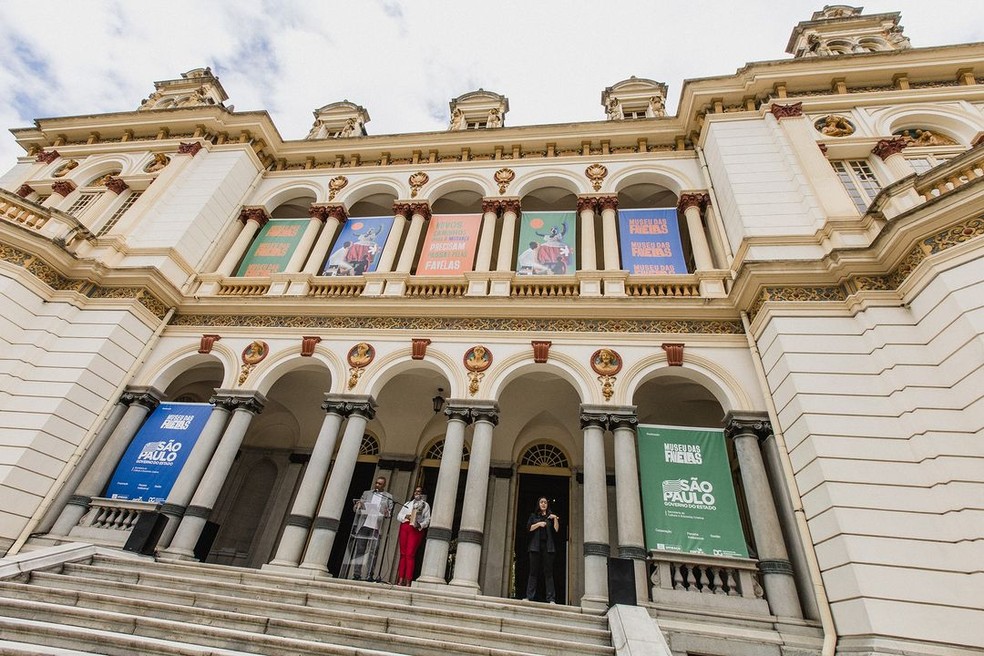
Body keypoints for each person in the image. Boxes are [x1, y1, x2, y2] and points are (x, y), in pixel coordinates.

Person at [352, 476, 394, 580]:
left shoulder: (388, 496)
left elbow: (390, 513)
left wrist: (386, 512)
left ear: (384, 485)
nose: (377, 485)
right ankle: (356, 574)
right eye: (376, 483)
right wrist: (358, 505)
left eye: (380, 484)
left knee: (373, 552)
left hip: (376, 527)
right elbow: (356, 510)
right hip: (364, 525)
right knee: (360, 550)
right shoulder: (367, 493)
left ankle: (369, 574)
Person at [525, 496, 560, 603]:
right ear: (538, 504)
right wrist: (539, 524)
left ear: (547, 504)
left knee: (548, 573)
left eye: (545, 502)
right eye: (541, 502)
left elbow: (556, 530)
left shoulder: (550, 517)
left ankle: (551, 598)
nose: (543, 504)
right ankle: (529, 596)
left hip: (548, 548)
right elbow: (529, 528)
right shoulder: (533, 516)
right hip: (535, 547)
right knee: (533, 572)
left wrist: (555, 519)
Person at [395, 486, 431, 586]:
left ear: (423, 494)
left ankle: (408, 580)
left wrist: (420, 525)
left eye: (419, 492)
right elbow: (399, 516)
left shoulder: (425, 505)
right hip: (405, 527)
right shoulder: (407, 503)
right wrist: (405, 516)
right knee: (403, 553)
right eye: (416, 491)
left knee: (410, 555)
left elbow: (427, 520)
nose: (417, 493)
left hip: (415, 529)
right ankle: (400, 579)